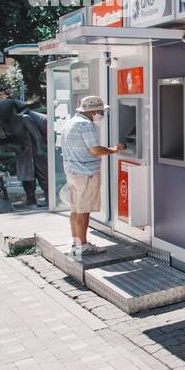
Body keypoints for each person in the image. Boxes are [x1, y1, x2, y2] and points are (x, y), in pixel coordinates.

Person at [60, 96, 123, 258]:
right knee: (84, 211)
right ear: (94, 111)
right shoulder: (86, 125)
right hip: (85, 174)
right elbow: (94, 150)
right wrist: (114, 150)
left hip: (73, 172)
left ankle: (77, 243)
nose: (102, 114)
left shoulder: (71, 122)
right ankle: (83, 246)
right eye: (101, 111)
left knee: (75, 209)